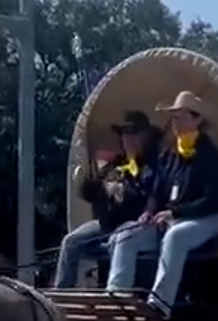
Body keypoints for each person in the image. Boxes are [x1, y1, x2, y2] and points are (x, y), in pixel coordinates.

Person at [104, 91, 218, 318]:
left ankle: (159, 305)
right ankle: (117, 300)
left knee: (176, 236)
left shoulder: (209, 155)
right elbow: (158, 190)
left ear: (197, 119)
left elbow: (213, 199)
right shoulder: (169, 155)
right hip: (176, 217)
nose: (175, 122)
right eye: (174, 118)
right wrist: (149, 212)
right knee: (126, 235)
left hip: (213, 218)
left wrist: (174, 213)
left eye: (181, 117)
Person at [53, 110, 158, 288]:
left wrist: (122, 189)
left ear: (145, 137)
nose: (128, 139)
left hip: (133, 226)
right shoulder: (115, 164)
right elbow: (90, 194)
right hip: (105, 224)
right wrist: (88, 181)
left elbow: (149, 197)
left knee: (119, 240)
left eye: (134, 133)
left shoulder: (152, 166)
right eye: (125, 134)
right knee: (71, 242)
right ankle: (62, 293)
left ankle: (115, 293)